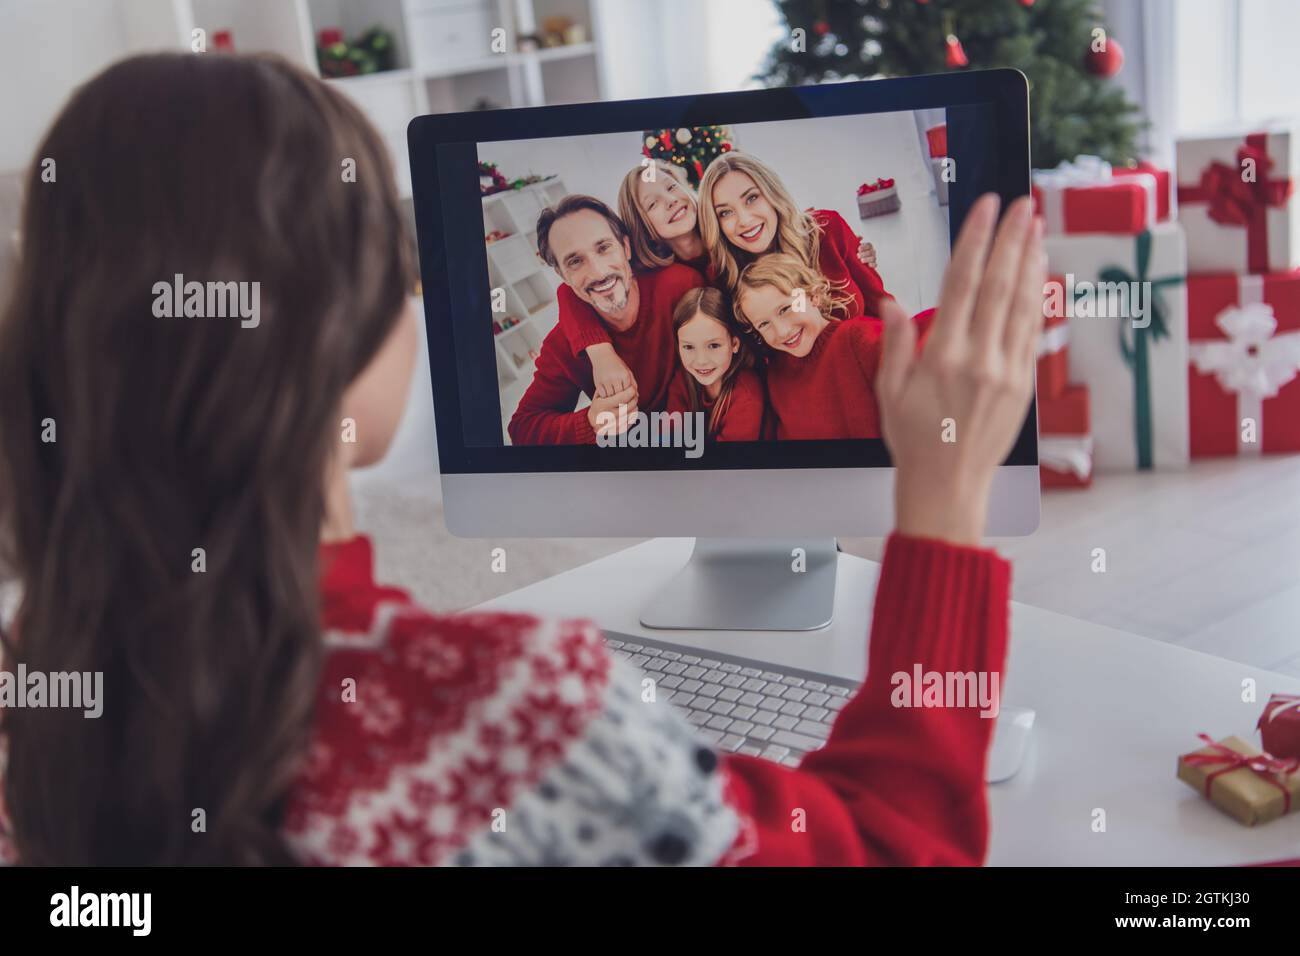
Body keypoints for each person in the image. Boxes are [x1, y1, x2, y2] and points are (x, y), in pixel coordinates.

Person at [0, 51, 1046, 866]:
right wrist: (943, 501)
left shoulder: (41, 686)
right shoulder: (507, 707)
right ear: (356, 325)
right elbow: (895, 845)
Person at [563, 157, 881, 402]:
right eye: (653, 203)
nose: (671, 200)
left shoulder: (740, 243)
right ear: (641, 228)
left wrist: (841, 251)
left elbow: (793, 240)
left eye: (672, 187)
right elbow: (570, 290)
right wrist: (599, 352)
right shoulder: (667, 277)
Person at [506, 194, 702, 445]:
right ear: (562, 275)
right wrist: (591, 421)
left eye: (604, 247)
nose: (598, 272)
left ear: (626, 247)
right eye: (575, 261)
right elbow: (522, 428)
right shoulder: (562, 345)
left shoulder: (682, 286)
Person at [697, 151, 891, 320]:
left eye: (752, 198)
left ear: (772, 193)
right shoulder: (724, 278)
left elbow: (883, 307)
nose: (745, 220)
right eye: (725, 212)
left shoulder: (827, 230)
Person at [733, 253, 890, 440]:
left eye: (785, 309)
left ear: (813, 296)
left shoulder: (858, 338)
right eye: (763, 324)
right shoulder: (776, 375)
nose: (782, 331)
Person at [665, 287, 767, 441]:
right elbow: (668, 438)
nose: (701, 360)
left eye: (713, 346)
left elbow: (728, 461)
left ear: (734, 344)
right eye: (689, 347)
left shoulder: (746, 395)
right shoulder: (683, 380)